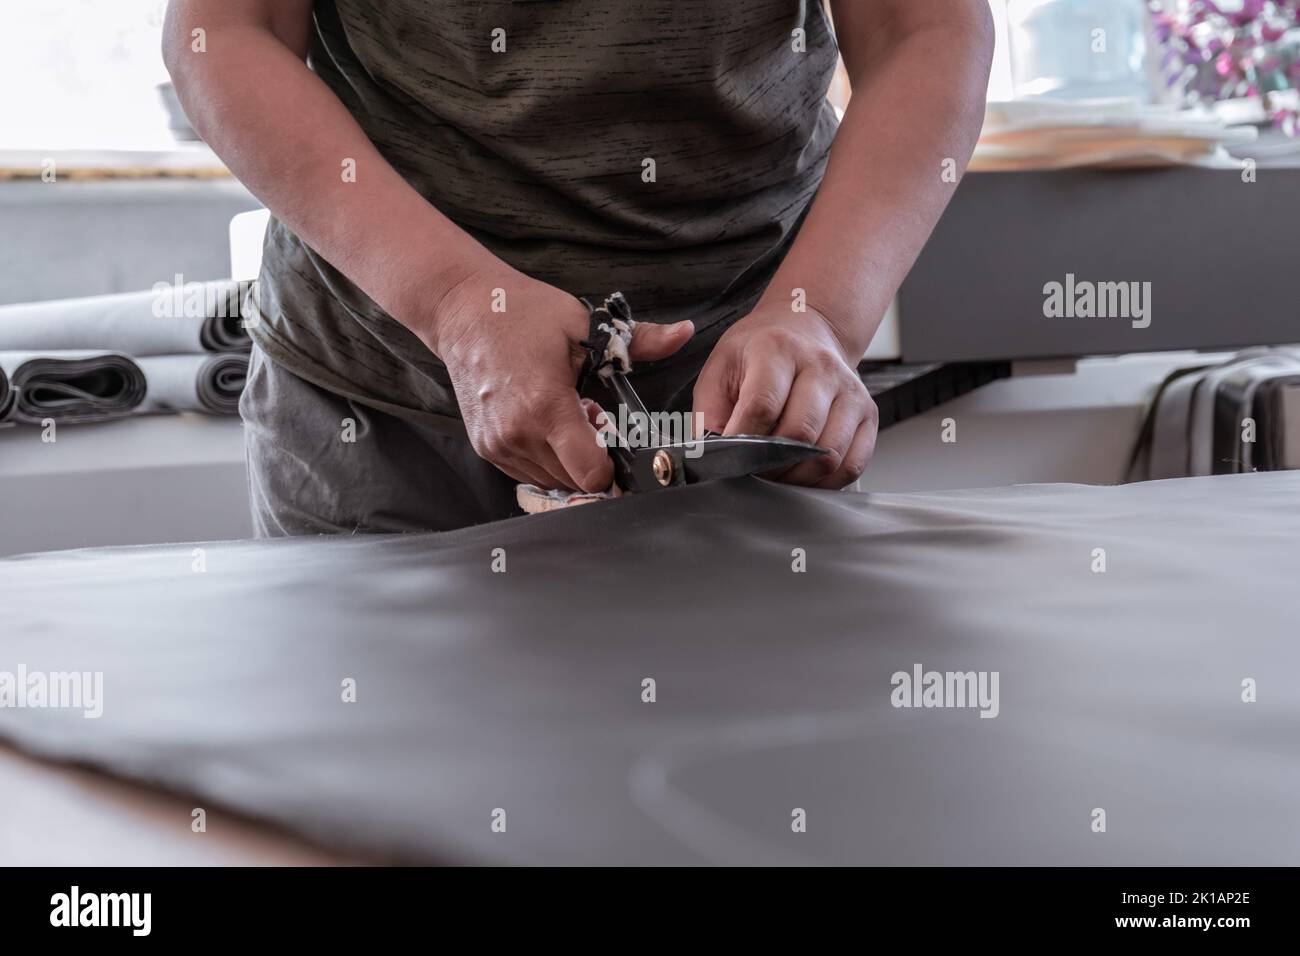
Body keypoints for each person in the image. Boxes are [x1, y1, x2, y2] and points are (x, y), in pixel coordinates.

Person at [163, 0, 993, 534]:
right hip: (379, 407)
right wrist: (453, 300)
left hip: (737, 412)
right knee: (367, 799)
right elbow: (225, 33)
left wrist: (821, 316)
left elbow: (926, 29)